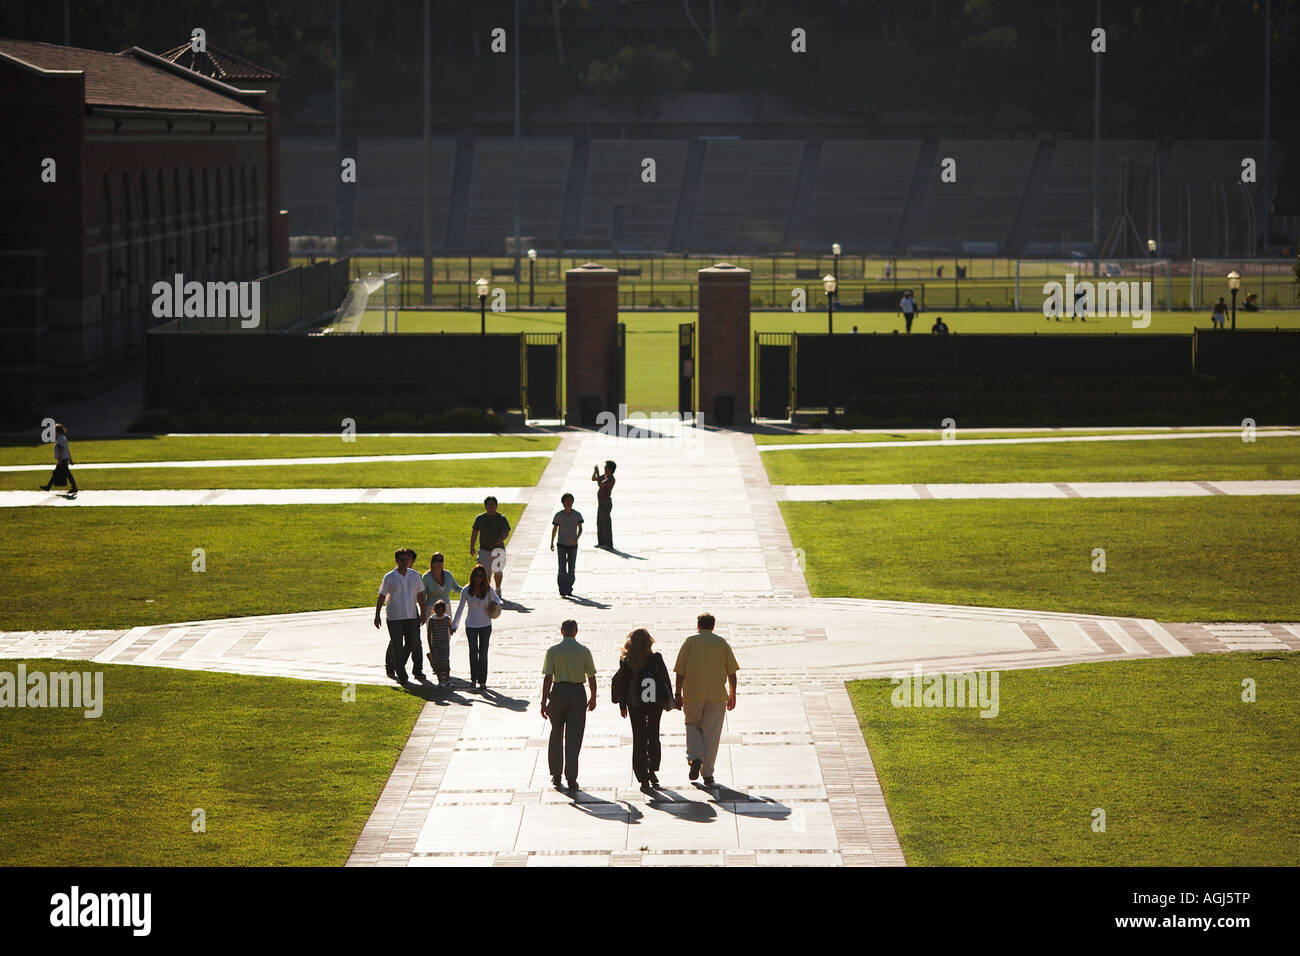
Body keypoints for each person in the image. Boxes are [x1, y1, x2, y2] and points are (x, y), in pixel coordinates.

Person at [673, 612, 738, 790]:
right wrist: (732, 694)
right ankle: (707, 774)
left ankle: (695, 756)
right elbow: (732, 672)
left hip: (692, 694)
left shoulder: (689, 642)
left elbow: (680, 671)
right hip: (716, 696)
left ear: (698, 625)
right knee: (712, 736)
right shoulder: (721, 643)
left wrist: (677, 694)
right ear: (713, 626)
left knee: (692, 725)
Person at [613, 628, 675, 794]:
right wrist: (669, 700)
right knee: (653, 734)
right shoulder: (655, 658)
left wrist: (622, 705)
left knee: (639, 737)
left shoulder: (626, 660)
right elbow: (665, 679)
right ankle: (653, 768)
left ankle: (642, 776)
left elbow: (623, 683)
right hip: (654, 703)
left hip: (635, 704)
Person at [540, 619, 597, 794]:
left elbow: (548, 677)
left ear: (562, 631)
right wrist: (593, 696)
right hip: (578, 693)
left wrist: (544, 701)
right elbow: (591, 677)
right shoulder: (584, 651)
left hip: (558, 692)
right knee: (574, 736)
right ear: (576, 631)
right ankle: (571, 777)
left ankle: (556, 774)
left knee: (556, 732)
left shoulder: (553, 651)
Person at [374, 548, 427, 684]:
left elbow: (420, 594)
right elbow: (382, 596)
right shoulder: (389, 577)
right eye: (401, 560)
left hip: (411, 616)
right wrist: (377, 615)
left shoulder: (415, 575)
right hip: (394, 617)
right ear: (396, 561)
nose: (404, 563)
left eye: (406, 560)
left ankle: (398, 665)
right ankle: (402, 676)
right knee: (397, 645)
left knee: (413, 641)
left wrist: (423, 612)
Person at [451, 564, 500, 690]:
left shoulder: (488, 589)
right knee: (473, 652)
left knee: (483, 653)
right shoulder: (466, 590)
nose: (478, 579)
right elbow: (460, 608)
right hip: (471, 625)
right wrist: (454, 625)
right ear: (472, 576)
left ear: (484, 577)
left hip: (485, 625)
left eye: (481, 576)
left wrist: (495, 603)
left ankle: (482, 681)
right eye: (476, 576)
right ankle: (473, 679)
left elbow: (497, 599)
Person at [469, 496, 511, 599]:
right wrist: (472, 546)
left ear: (496, 506)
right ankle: (487, 589)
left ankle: (498, 588)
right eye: (488, 504)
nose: (491, 507)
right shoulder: (480, 518)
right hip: (484, 550)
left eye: (493, 504)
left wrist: (501, 539)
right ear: (485, 506)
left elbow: (506, 531)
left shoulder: (501, 518)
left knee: (497, 571)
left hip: (498, 550)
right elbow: (475, 532)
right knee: (485, 572)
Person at [550, 493, 584, 597]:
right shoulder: (558, 515)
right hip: (561, 545)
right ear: (563, 503)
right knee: (562, 568)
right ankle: (562, 588)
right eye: (566, 501)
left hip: (573, 546)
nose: (568, 503)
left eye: (570, 501)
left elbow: (580, 527)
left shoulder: (577, 515)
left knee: (571, 568)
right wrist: (551, 542)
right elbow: (555, 529)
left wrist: (577, 537)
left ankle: (569, 588)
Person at [40, 423, 78, 496]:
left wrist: (60, 459)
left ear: (57, 431)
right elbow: (67, 449)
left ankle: (74, 487)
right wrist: (70, 459)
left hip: (63, 459)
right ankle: (48, 487)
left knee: (64, 473)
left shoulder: (60, 438)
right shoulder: (63, 437)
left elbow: (60, 449)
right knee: (60, 473)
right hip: (64, 458)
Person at [425, 600, 453, 688]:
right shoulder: (432, 620)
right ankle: (440, 681)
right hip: (435, 645)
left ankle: (448, 680)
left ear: (445, 610)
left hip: (445, 645)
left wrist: (453, 628)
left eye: (442, 610)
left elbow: (451, 629)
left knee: (445, 662)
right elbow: (429, 634)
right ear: (434, 610)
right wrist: (430, 646)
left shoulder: (447, 618)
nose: (440, 612)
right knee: (437, 664)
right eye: (438, 610)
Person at [592, 460, 616, 549]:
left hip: (606, 504)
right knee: (599, 523)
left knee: (606, 524)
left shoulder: (610, 479)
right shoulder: (605, 476)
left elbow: (600, 484)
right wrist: (595, 472)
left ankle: (609, 544)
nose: (604, 469)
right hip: (601, 503)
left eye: (605, 468)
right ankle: (601, 542)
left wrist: (598, 472)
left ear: (610, 470)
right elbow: (594, 479)